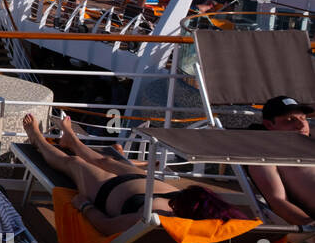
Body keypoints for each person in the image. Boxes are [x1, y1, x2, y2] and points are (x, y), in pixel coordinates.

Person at [21, 112, 234, 235]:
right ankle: (72, 140)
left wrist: (85, 205)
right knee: (105, 160)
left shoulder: (155, 219)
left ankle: (37, 139)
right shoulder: (217, 223)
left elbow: (106, 226)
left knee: (74, 162)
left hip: (107, 191)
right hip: (141, 185)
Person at [246, 96, 315, 225]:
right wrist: (309, 226)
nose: (301, 125)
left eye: (304, 118)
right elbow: (278, 201)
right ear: (269, 124)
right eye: (290, 120)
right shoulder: (266, 155)